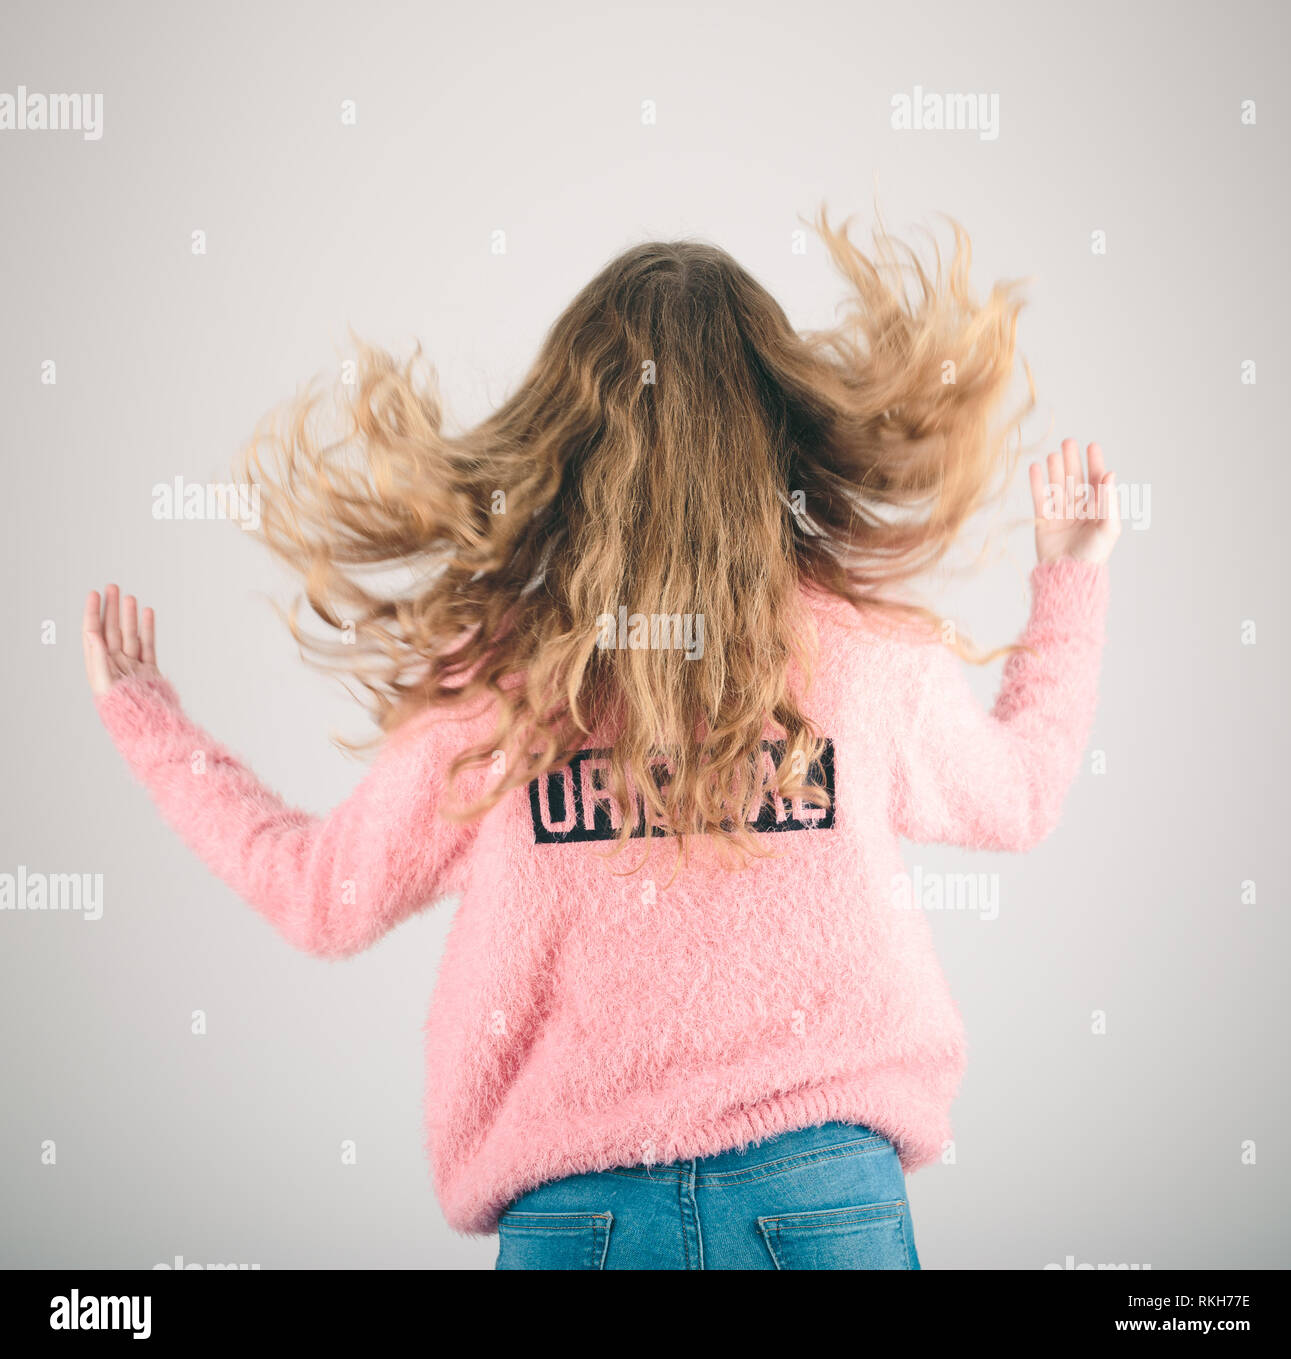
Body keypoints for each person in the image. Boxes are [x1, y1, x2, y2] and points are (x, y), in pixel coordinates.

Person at [84, 212, 1120, 1269]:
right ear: (778, 427)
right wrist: (1070, 582)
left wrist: (146, 719)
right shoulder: (863, 658)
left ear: (563, 439)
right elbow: (1022, 793)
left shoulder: (496, 691)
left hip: (579, 1223)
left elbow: (318, 895)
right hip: (823, 1207)